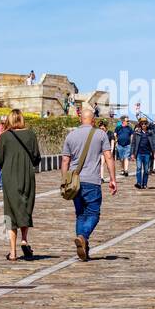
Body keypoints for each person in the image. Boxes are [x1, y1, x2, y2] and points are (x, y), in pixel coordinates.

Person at [61, 106, 116, 261]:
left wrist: (64, 180)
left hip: (75, 182)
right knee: (93, 214)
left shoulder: (70, 136)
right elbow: (109, 157)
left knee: (80, 214)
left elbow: (65, 160)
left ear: (80, 119)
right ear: (93, 120)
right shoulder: (100, 134)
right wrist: (113, 179)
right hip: (92, 181)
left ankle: (84, 248)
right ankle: (83, 237)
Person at [0, 111, 41, 261]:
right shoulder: (31, 135)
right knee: (25, 205)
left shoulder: (5, 136)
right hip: (27, 174)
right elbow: (37, 158)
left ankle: (13, 252)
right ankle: (24, 239)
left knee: (10, 211)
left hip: (10, 177)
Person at [131, 118, 155, 190]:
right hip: (139, 153)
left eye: (145, 123)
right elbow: (133, 144)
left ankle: (144, 184)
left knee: (146, 170)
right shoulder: (137, 133)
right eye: (142, 124)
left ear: (147, 124)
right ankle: (139, 183)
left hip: (147, 154)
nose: (144, 125)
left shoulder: (150, 133)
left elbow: (154, 142)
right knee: (139, 168)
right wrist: (132, 154)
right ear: (140, 125)